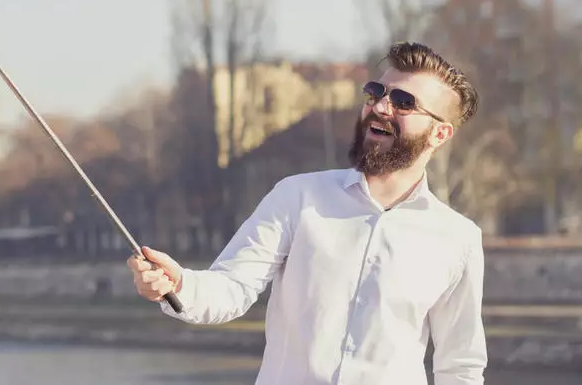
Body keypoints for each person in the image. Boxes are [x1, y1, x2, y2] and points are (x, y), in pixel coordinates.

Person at [127, 42, 487, 385]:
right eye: (377, 92)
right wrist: (178, 285)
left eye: (403, 102)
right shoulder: (297, 196)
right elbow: (232, 287)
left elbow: (461, 366)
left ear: (440, 133)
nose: (380, 107)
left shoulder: (459, 239)